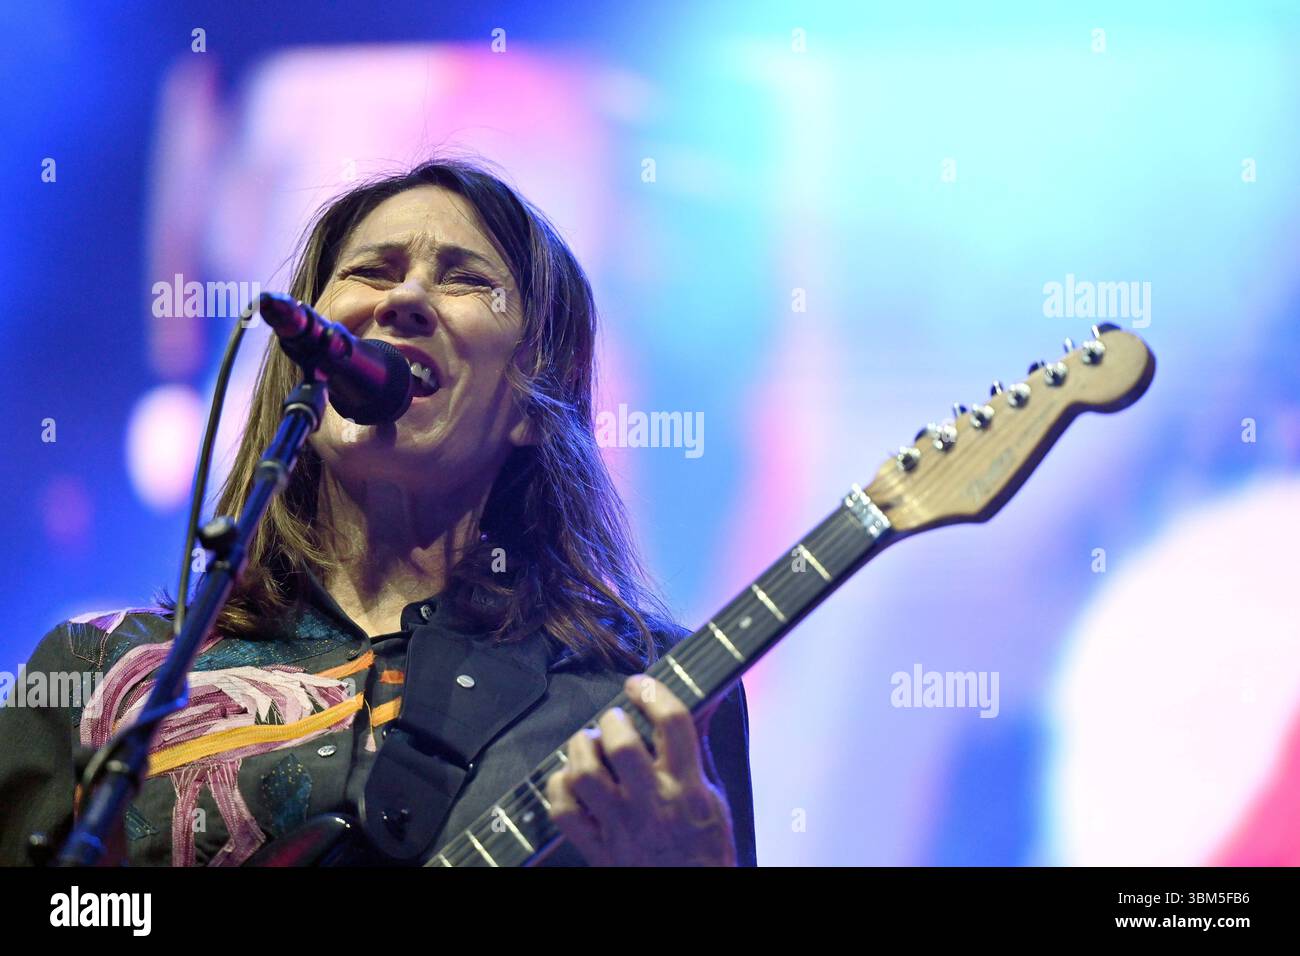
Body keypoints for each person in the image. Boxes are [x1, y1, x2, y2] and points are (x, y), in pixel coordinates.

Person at [0, 158, 756, 867]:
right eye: (371, 271)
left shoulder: (644, 691)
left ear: (532, 397)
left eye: (464, 280)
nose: (404, 300)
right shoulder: (98, 670)